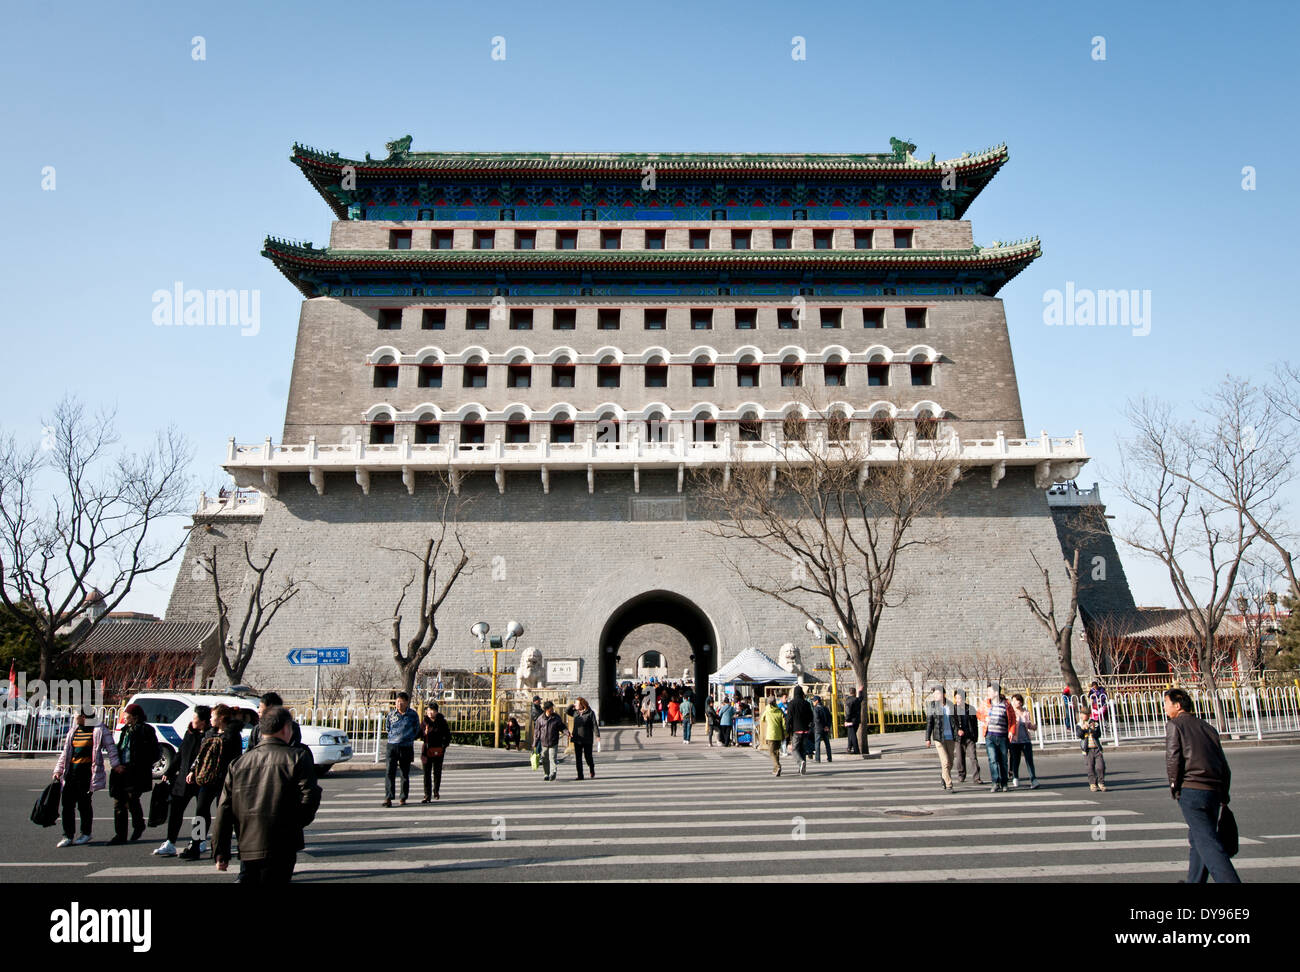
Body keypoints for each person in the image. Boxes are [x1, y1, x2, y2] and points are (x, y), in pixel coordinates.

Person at [213, 706, 320, 884]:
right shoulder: (297, 757)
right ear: (286, 728)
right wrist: (293, 824)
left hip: (247, 842)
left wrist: (221, 850)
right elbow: (310, 797)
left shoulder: (238, 763)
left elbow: (224, 809)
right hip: (282, 844)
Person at [1164, 688, 1239, 883]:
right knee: (1198, 839)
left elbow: (1173, 758)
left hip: (1192, 789)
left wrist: (1174, 786)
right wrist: (1224, 793)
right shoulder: (1207, 727)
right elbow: (1224, 765)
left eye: (1166, 703)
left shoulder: (1175, 725)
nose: (1165, 707)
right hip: (1213, 790)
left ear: (1177, 705)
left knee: (1207, 843)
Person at [180, 703, 243, 860]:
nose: (210, 719)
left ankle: (225, 848)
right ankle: (196, 845)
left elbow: (236, 759)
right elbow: (201, 755)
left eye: (213, 716)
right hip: (207, 779)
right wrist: (193, 770)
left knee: (225, 816)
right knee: (200, 812)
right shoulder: (209, 733)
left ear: (221, 718)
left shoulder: (232, 735)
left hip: (225, 781)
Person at [52, 710, 120, 847]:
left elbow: (111, 748)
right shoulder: (74, 730)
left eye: (76, 716)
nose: (74, 718)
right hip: (71, 773)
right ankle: (67, 835)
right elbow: (66, 752)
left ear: (84, 717)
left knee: (84, 804)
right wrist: (58, 770)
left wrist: (116, 765)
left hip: (87, 774)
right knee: (67, 804)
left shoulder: (99, 729)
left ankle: (86, 833)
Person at [155, 705, 211, 857]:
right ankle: (170, 842)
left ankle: (199, 841)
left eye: (195, 718)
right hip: (183, 779)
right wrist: (170, 771)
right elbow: (181, 753)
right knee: (175, 810)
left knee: (201, 812)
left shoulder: (209, 736)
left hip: (201, 780)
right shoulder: (190, 733)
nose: (192, 720)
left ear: (203, 721)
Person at [109, 703, 158, 845]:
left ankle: (138, 825)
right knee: (119, 803)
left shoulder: (145, 730)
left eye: (127, 716)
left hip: (136, 773)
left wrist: (142, 764)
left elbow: (154, 752)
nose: (125, 718)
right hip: (121, 771)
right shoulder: (125, 730)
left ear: (135, 717)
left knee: (132, 799)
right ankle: (120, 835)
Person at [383, 692, 420, 807]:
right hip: (392, 746)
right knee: (389, 772)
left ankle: (403, 797)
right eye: (397, 701)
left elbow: (417, 730)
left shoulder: (413, 715)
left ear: (406, 702)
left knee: (404, 773)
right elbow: (387, 728)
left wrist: (408, 738)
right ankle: (388, 797)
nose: (399, 704)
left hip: (406, 747)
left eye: (401, 701)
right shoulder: (391, 715)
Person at [977, 684, 1016, 793]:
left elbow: (1013, 719)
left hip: (1003, 736)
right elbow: (978, 714)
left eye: (990, 691)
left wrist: (1012, 731)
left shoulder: (1006, 704)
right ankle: (995, 782)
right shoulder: (986, 703)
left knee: (1003, 760)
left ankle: (1004, 783)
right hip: (990, 736)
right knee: (993, 760)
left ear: (996, 693)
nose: (988, 694)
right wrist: (984, 718)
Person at [924, 686, 958, 792]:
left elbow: (955, 722)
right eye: (934, 694)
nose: (935, 695)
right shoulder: (932, 706)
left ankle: (944, 775)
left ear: (943, 694)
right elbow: (929, 723)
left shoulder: (951, 705)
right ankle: (949, 784)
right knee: (945, 761)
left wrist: (958, 733)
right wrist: (927, 738)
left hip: (950, 737)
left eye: (937, 693)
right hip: (939, 737)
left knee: (951, 762)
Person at [420, 702, 451, 802]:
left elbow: (447, 736)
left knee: (437, 772)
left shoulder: (442, 722)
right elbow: (419, 734)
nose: (430, 712)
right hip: (426, 750)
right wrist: (423, 733)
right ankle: (427, 795)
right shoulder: (424, 722)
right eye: (428, 710)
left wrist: (443, 746)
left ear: (436, 712)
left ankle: (436, 790)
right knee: (426, 773)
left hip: (438, 751)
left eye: (432, 710)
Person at [1007, 694, 1040, 789]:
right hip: (1014, 741)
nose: (1013, 702)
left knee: (1029, 761)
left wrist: (1033, 727)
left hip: (1026, 740)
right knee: (1016, 760)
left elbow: (1028, 724)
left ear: (1020, 702)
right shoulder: (1011, 713)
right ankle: (1015, 777)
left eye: (1015, 700)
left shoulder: (1026, 712)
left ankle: (1033, 779)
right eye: (1012, 701)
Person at [952, 689, 983, 785]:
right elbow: (952, 723)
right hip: (958, 738)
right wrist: (957, 731)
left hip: (969, 737)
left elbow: (975, 724)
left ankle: (977, 777)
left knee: (973, 757)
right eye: (957, 698)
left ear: (964, 698)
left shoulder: (970, 709)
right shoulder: (953, 710)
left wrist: (975, 737)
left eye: (960, 698)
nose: (958, 700)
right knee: (960, 758)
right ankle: (961, 775)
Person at [785, 685, 814, 775]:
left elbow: (789, 717)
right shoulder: (806, 703)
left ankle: (800, 762)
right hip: (805, 730)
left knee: (795, 749)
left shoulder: (791, 703)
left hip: (796, 730)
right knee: (803, 749)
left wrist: (787, 728)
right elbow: (811, 716)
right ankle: (802, 768)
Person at [534, 701, 566, 781]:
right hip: (544, 742)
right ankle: (546, 774)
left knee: (552, 758)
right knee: (544, 758)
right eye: (551, 709)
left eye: (552, 708)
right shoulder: (540, 719)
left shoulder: (556, 718)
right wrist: (535, 743)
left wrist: (567, 732)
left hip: (553, 741)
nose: (552, 710)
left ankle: (553, 773)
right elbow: (537, 732)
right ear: (546, 709)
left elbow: (562, 727)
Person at [1077, 710, 1106, 792]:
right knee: (1090, 767)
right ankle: (1092, 783)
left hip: (1096, 748)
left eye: (1085, 714)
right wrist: (1084, 729)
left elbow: (1098, 734)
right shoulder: (1079, 724)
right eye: (1082, 714)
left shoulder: (1094, 723)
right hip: (1087, 749)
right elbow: (1079, 735)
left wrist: (1093, 730)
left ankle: (1101, 782)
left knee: (1101, 766)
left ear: (1088, 715)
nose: (1083, 716)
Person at [571, 697, 599, 780]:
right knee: (578, 758)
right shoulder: (575, 712)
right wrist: (572, 705)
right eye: (575, 703)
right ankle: (580, 775)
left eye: (577, 704)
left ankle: (591, 768)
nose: (575, 705)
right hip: (577, 738)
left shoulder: (590, 713)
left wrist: (597, 735)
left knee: (588, 757)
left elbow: (594, 724)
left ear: (582, 705)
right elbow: (567, 711)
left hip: (587, 738)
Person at [761, 698, 785, 776]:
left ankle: (777, 766)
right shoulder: (779, 711)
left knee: (771, 752)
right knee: (776, 752)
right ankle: (776, 769)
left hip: (770, 734)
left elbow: (762, 719)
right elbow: (784, 724)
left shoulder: (767, 710)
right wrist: (785, 734)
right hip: (779, 734)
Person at [811, 695, 833, 763]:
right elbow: (830, 718)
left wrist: (822, 726)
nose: (813, 702)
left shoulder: (816, 709)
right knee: (827, 744)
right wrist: (827, 726)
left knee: (817, 744)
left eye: (814, 701)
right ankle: (829, 758)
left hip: (818, 728)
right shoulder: (825, 708)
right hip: (825, 729)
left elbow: (817, 719)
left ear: (817, 701)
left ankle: (817, 759)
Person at [845, 689, 862, 755]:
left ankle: (856, 750)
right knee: (851, 734)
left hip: (851, 720)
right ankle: (849, 747)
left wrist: (846, 720)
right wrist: (860, 691)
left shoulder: (848, 701)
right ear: (855, 693)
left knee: (852, 735)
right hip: (857, 720)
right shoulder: (857, 700)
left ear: (849, 692)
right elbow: (861, 698)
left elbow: (848, 712)